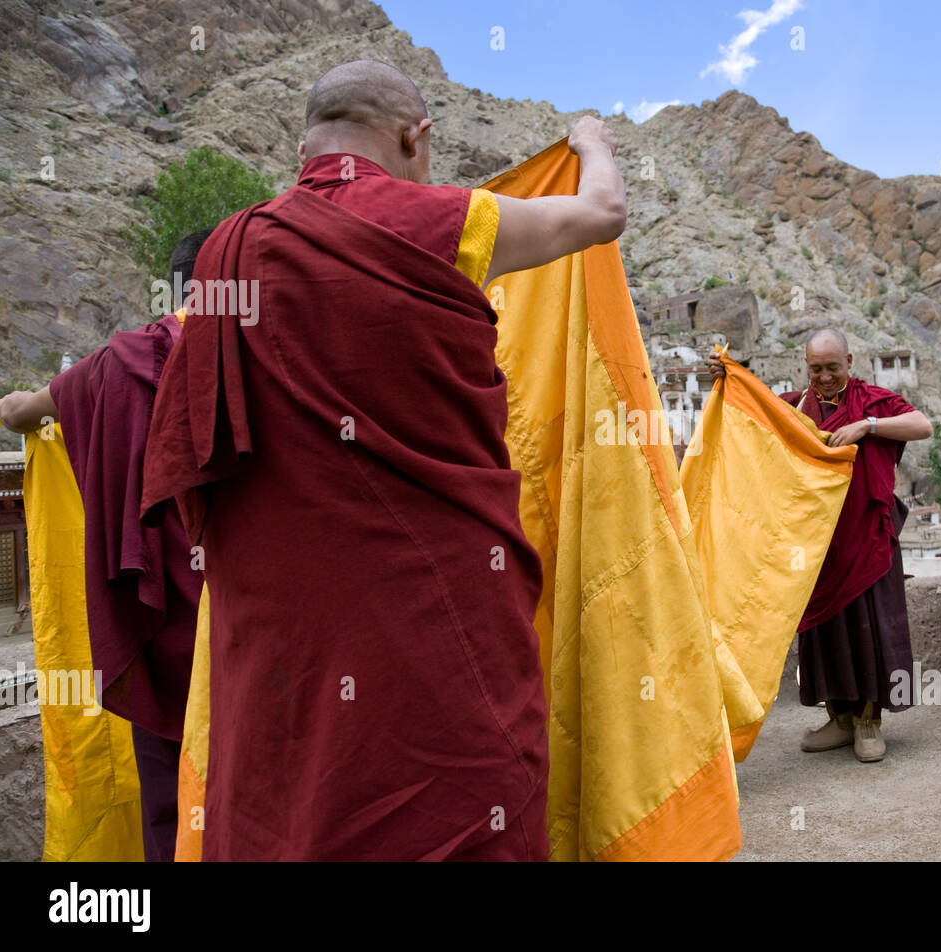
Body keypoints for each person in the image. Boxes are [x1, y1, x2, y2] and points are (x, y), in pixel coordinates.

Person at [139, 60, 626, 861]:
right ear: (416, 136)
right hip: (437, 605)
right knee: (457, 784)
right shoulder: (449, 221)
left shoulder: (227, 254)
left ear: (306, 144)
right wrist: (590, 140)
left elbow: (193, 446)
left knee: (296, 786)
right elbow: (603, 213)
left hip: (282, 624)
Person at [0, 229, 212, 861]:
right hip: (251, 621)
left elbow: (18, 413)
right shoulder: (265, 351)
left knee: (171, 797)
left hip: (162, 626)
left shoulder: (119, 365)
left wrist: (41, 406)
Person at [708, 328, 932, 762]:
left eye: (833, 367)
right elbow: (752, 411)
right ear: (805, 366)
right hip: (815, 547)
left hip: (867, 540)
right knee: (824, 634)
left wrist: (866, 428)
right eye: (816, 369)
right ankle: (840, 719)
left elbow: (921, 425)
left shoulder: (871, 401)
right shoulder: (796, 407)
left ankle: (869, 722)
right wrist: (728, 377)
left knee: (867, 631)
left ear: (849, 361)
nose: (825, 376)